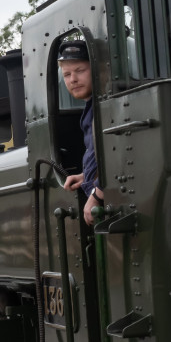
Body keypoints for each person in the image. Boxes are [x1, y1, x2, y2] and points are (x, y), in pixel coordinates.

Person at [56, 38, 104, 225]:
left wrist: (97, 195)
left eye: (80, 71)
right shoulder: (91, 108)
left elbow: (118, 156)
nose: (73, 79)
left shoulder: (103, 107)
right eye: (66, 74)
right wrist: (86, 177)